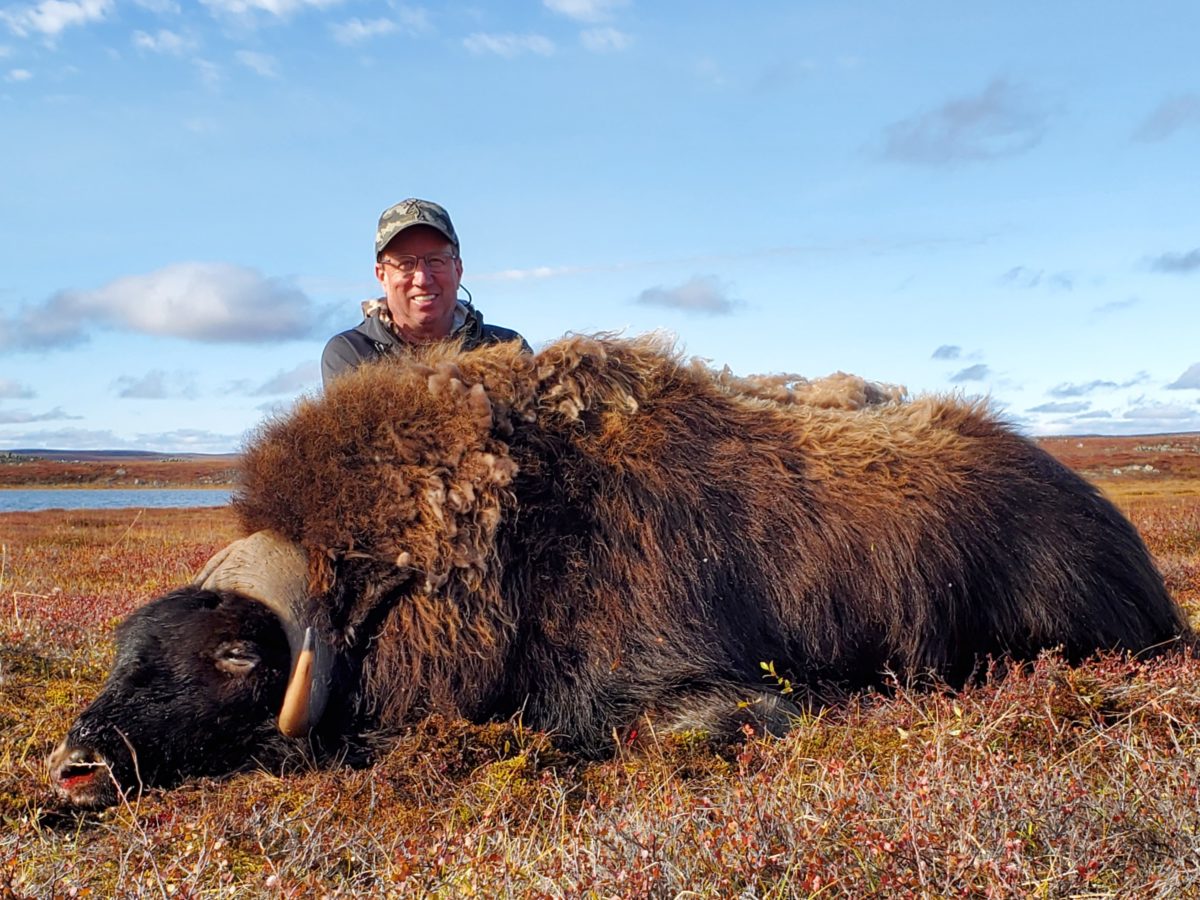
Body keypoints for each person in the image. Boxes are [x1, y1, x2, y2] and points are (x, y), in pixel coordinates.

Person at [321, 198, 527, 386]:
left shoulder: (507, 347)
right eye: (405, 263)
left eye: (436, 260)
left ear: (458, 270)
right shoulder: (350, 352)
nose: (422, 279)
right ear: (382, 275)